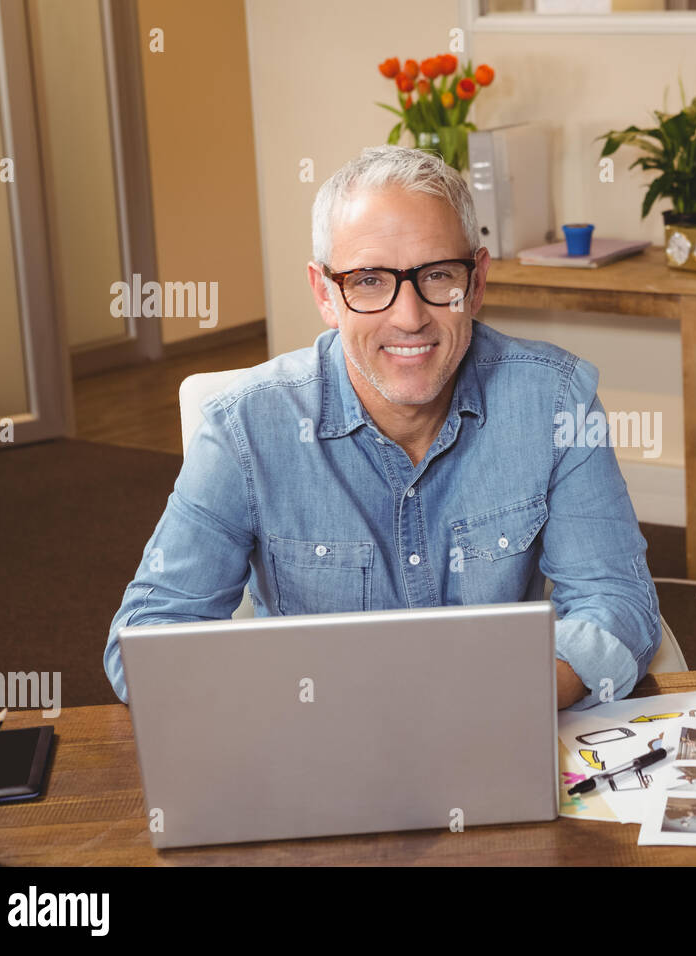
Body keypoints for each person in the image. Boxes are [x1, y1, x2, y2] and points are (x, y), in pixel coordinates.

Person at [103, 145, 660, 710]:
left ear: (477, 281)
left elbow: (616, 603)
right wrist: (309, 708)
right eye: (369, 281)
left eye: (438, 275)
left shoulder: (556, 401)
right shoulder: (245, 427)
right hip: (312, 752)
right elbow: (146, 643)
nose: (409, 317)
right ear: (325, 293)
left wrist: (498, 701)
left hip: (499, 727)